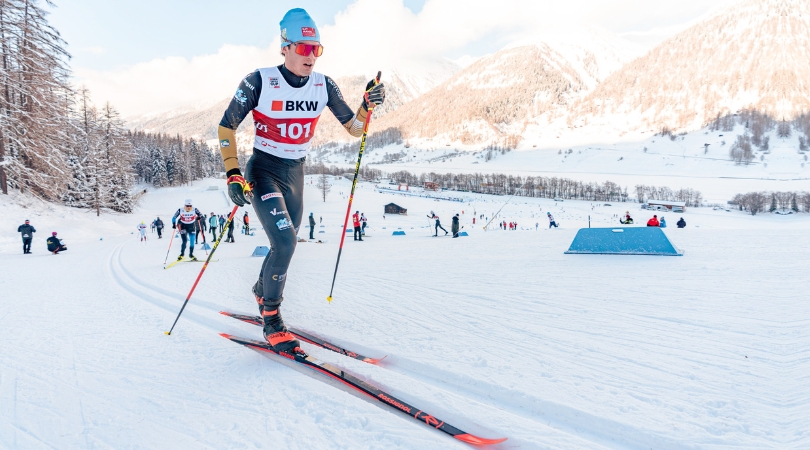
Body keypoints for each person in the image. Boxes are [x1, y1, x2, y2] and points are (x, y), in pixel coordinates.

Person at [216, 8, 386, 354]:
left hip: (295, 173)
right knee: (285, 243)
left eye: (317, 49)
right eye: (304, 48)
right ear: (285, 46)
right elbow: (225, 126)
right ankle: (272, 320)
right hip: (263, 171)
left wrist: (367, 105)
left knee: (288, 243)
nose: (311, 56)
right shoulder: (259, 81)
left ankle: (262, 290)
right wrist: (233, 173)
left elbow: (354, 129)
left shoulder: (324, 85)